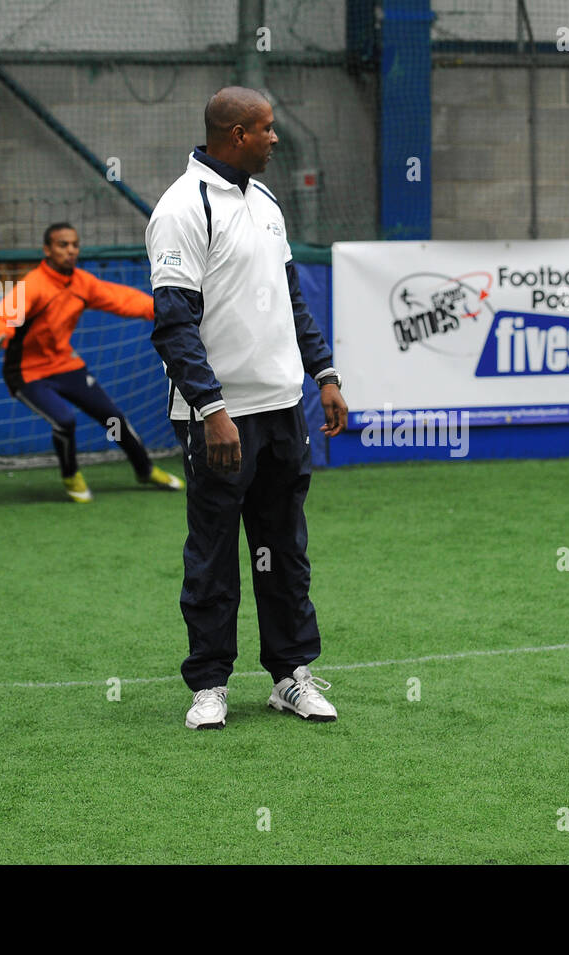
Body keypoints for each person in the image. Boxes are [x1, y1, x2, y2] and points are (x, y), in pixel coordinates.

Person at [145, 87, 348, 730]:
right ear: (235, 134)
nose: (275, 139)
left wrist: (324, 373)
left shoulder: (265, 202)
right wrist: (211, 410)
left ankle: (291, 676)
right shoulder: (181, 209)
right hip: (219, 420)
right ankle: (209, 683)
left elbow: (292, 299)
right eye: (266, 129)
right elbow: (174, 325)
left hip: (283, 408)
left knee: (284, 549)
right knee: (212, 553)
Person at [0, 223, 184, 502]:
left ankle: (145, 470)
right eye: (62, 245)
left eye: (75, 245)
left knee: (114, 418)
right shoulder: (33, 285)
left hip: (65, 365)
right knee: (64, 420)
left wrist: (162, 310)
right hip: (27, 373)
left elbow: (121, 299)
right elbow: (8, 314)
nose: (70, 250)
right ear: (47, 250)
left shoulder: (82, 283)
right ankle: (70, 475)